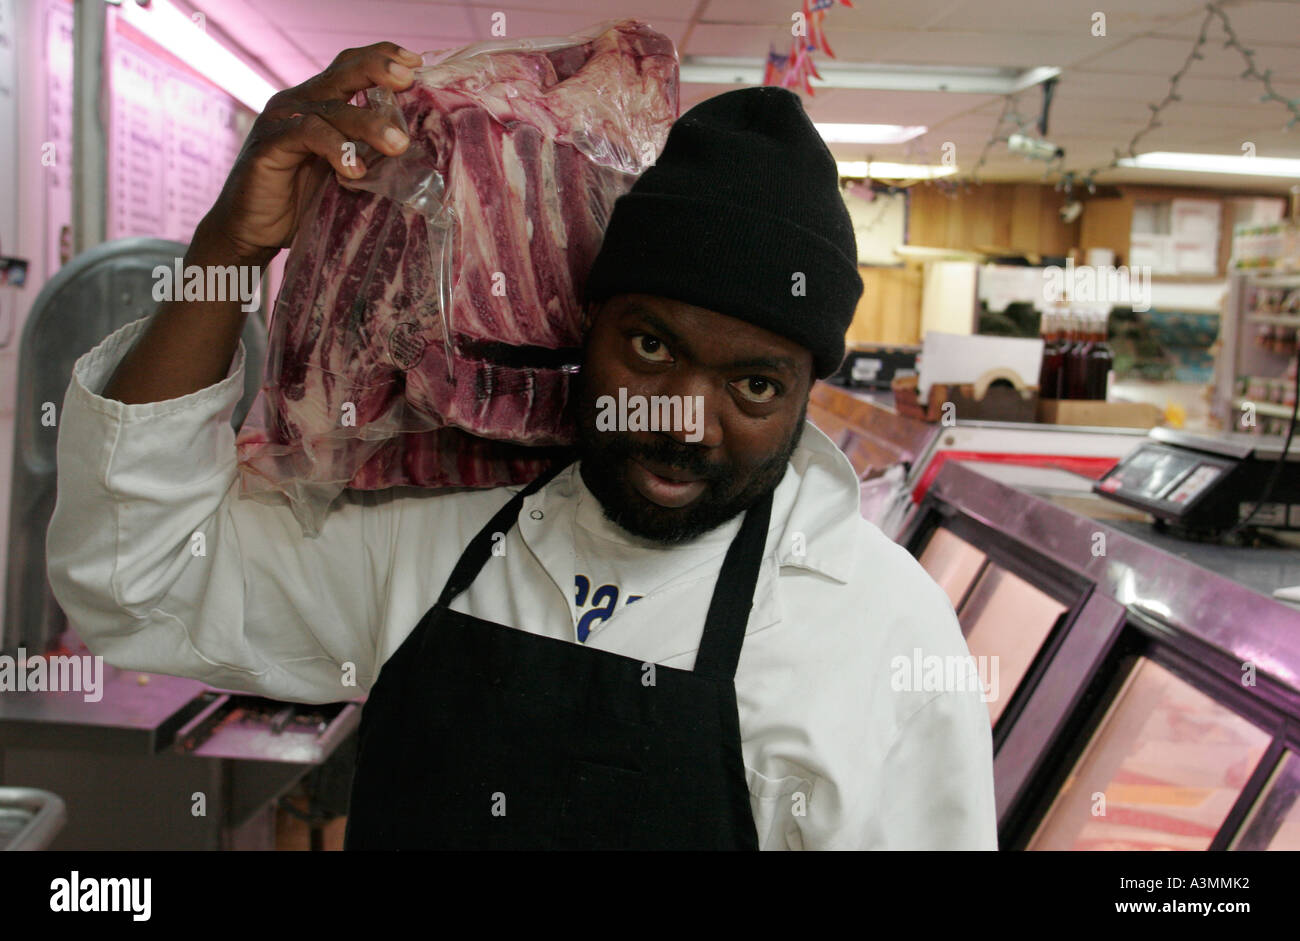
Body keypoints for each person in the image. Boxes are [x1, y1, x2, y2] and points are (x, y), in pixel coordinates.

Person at [46, 42, 996, 850]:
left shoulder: (880, 635)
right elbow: (138, 578)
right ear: (587, 326)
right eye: (652, 346)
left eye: (753, 384)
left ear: (805, 391)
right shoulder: (444, 532)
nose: (681, 420)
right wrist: (228, 249)